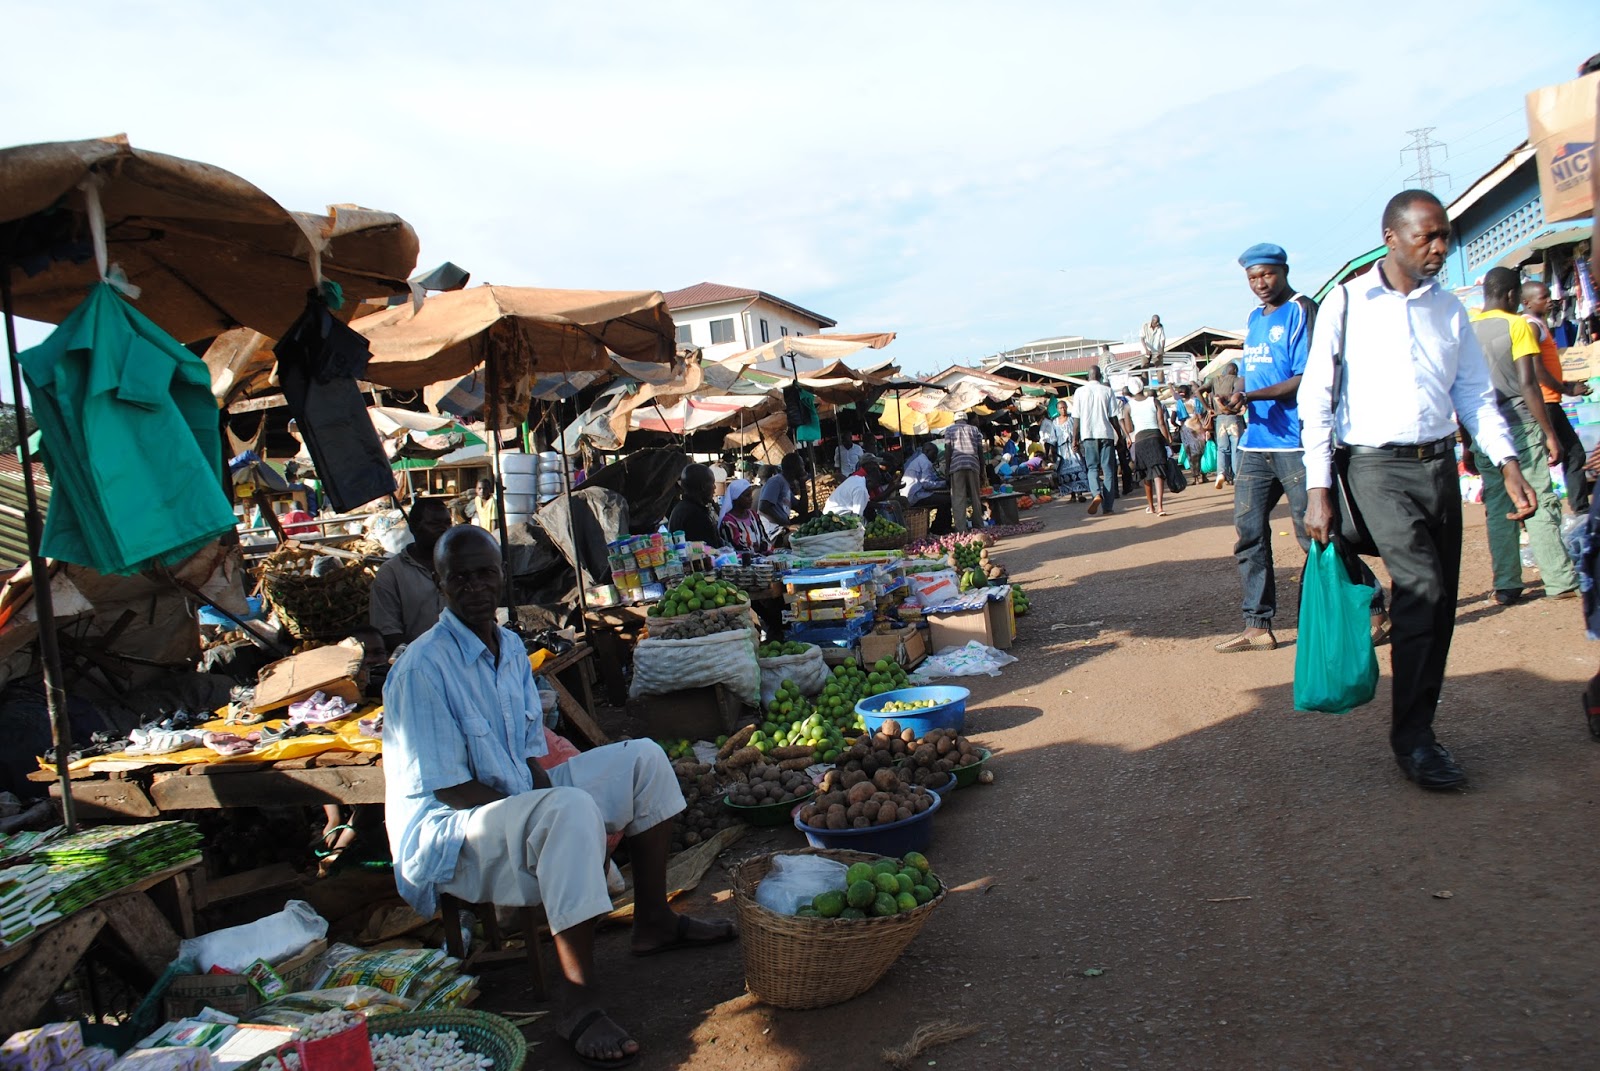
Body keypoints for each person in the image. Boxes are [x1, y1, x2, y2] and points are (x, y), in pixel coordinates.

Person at [384, 525, 735, 1067]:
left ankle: (653, 922)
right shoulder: (423, 668)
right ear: (440, 584)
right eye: (461, 577)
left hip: (506, 801)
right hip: (449, 834)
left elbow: (528, 757)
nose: (475, 586)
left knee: (643, 758)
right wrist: (554, 817)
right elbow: (450, 787)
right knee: (568, 810)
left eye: (485, 574)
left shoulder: (507, 650)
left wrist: (551, 808)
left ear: (502, 578)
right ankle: (576, 1002)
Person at [1302, 190, 1538, 791]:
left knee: (1440, 607)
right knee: (1421, 587)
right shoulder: (1348, 304)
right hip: (1376, 470)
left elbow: (1473, 395)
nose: (1440, 248)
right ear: (1391, 237)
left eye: (1445, 237)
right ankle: (1413, 742)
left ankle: (1421, 723)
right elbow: (1317, 400)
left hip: (1438, 467)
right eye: (1426, 237)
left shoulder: (1450, 310)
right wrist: (1318, 489)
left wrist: (1507, 463)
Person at [1217, 243, 1385, 653]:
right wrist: (1235, 393)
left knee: (1316, 535)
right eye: (1253, 277)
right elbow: (1255, 374)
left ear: (1283, 270)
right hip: (1256, 444)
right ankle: (1258, 626)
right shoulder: (1255, 318)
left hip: (1296, 441)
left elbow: (1306, 377)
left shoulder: (1302, 309)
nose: (1260, 284)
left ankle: (1375, 606)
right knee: (1249, 535)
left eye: (1266, 274)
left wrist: (1251, 396)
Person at [1463, 267, 1578, 603]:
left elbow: (1461, 391)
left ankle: (1507, 584)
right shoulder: (1517, 325)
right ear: (1513, 296)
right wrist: (1549, 432)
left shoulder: (1467, 331)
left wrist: (1468, 443)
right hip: (1519, 426)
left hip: (1482, 431)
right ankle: (1559, 580)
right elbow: (1529, 384)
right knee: (1538, 498)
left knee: (1498, 506)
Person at [1524, 279, 1592, 513]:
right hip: (1544, 401)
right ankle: (1576, 509)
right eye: (1543, 297)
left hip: (1550, 400)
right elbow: (1535, 368)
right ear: (1527, 302)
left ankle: (1578, 508)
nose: (1550, 301)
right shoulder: (1530, 325)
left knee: (1568, 453)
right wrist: (1566, 389)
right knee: (1565, 453)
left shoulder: (1539, 324)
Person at [370, 496, 453, 653]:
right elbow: (388, 633)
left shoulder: (460, 567)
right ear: (413, 527)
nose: (444, 530)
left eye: (447, 523)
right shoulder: (391, 573)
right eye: (434, 524)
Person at [1073, 367, 1120, 516]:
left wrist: (1075, 439)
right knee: (1108, 471)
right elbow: (1113, 417)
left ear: (1087, 376)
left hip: (1088, 435)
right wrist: (1120, 434)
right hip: (1106, 434)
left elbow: (1076, 419)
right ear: (1100, 376)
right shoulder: (1107, 391)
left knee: (1092, 468)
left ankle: (1096, 494)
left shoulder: (1079, 392)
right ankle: (1108, 507)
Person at [1121, 376, 1171, 516]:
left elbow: (1129, 428)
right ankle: (1160, 507)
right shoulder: (1154, 401)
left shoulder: (1128, 406)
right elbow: (1161, 423)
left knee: (1145, 473)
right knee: (1158, 472)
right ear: (1143, 387)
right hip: (1155, 437)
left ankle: (1151, 506)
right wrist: (1167, 441)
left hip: (1140, 439)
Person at [943, 413, 986, 532]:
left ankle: (961, 529)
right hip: (973, 463)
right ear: (966, 419)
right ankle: (978, 524)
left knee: (958, 497)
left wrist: (947, 468)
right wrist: (982, 470)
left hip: (956, 465)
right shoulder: (974, 430)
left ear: (955, 420)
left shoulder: (949, 430)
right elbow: (980, 451)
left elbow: (948, 450)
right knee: (975, 496)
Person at [1209, 361, 1246, 489]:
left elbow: (1198, 390)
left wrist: (1208, 408)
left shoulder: (1215, 380)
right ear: (1235, 371)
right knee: (1236, 448)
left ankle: (1221, 473)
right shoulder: (1237, 380)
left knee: (1222, 448)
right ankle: (1237, 476)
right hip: (1234, 418)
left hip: (1220, 419)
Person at [667, 463, 724, 546]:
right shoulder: (695, 515)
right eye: (712, 483)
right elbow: (710, 551)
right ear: (703, 487)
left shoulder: (681, 508)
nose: (715, 487)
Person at [901, 442, 953, 533]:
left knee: (944, 498)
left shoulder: (919, 460)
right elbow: (927, 484)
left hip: (910, 495)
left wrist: (940, 481)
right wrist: (944, 483)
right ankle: (939, 528)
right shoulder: (925, 462)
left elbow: (931, 479)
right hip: (915, 496)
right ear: (926, 451)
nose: (935, 457)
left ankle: (940, 527)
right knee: (947, 500)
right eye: (934, 454)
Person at [717, 479, 772, 554]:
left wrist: (766, 549)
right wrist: (756, 551)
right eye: (747, 496)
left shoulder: (753, 515)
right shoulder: (728, 521)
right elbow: (737, 546)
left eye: (750, 495)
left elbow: (764, 537)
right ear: (736, 498)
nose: (751, 498)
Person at [757, 453, 805, 535]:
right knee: (799, 535)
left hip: (783, 526)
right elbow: (763, 507)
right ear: (794, 468)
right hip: (773, 530)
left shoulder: (785, 484)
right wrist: (786, 525)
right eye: (801, 466)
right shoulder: (776, 481)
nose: (803, 469)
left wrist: (802, 484)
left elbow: (802, 510)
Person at [1175, 385, 1211, 482]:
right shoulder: (1196, 401)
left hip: (1186, 429)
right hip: (1198, 428)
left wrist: (1177, 426)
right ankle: (1204, 476)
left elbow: (1178, 419)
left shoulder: (1179, 403)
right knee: (1202, 452)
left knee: (1190, 454)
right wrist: (1206, 429)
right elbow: (1200, 416)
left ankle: (1196, 478)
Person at [1054, 413, 1091, 500]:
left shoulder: (1071, 419)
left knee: (1078, 470)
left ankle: (1080, 493)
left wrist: (1077, 443)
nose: (1063, 410)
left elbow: (1078, 431)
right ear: (1058, 410)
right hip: (1062, 452)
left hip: (1073, 448)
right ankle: (1072, 495)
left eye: (1064, 407)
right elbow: (1053, 438)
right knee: (1064, 474)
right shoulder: (1055, 422)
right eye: (1061, 408)